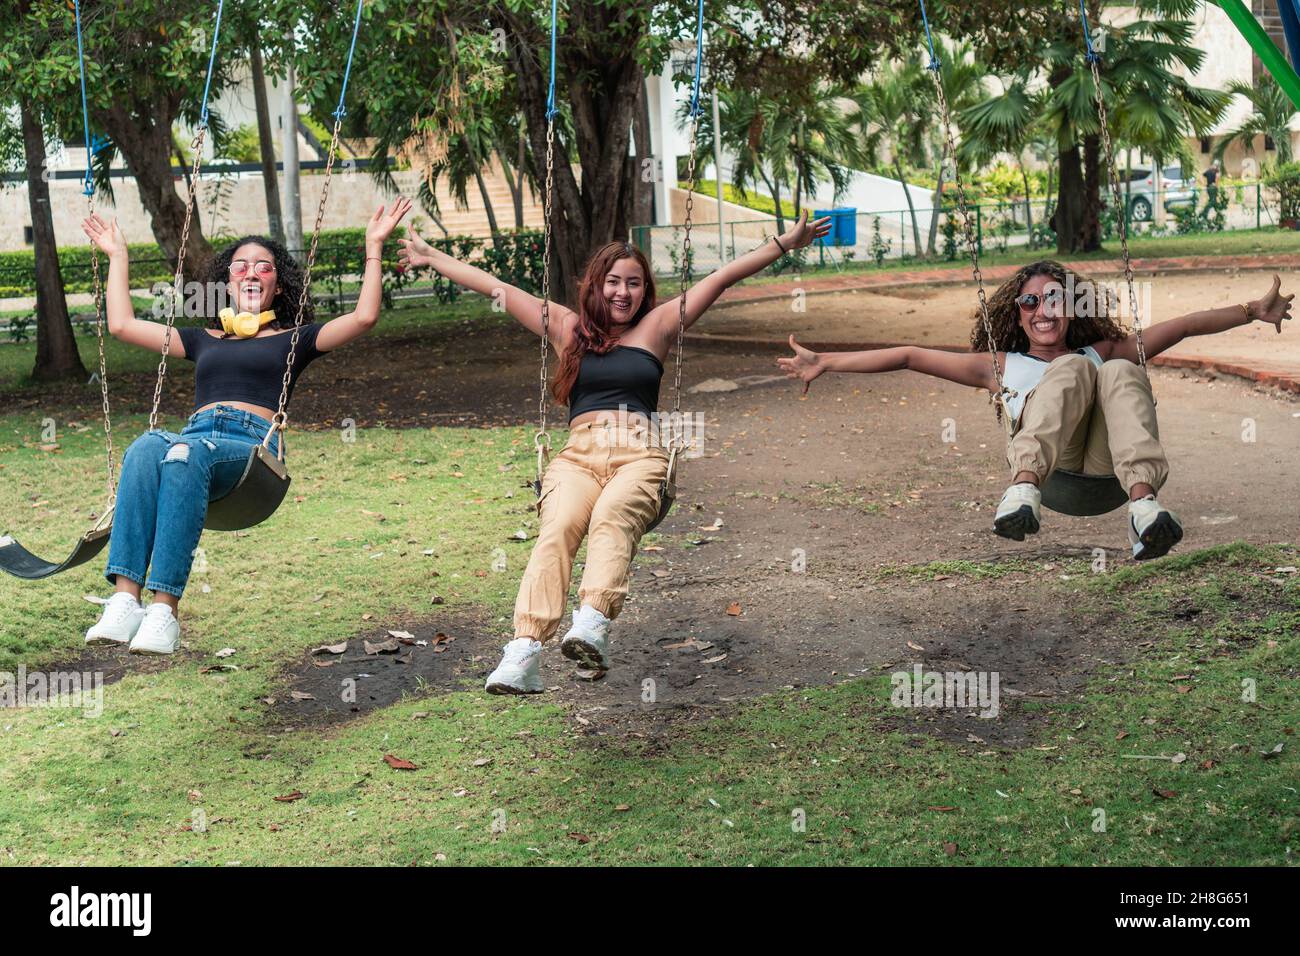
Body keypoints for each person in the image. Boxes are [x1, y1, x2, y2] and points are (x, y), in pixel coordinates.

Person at [399, 211, 830, 693]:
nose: (623, 293)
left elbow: (722, 277)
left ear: (646, 291)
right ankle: (524, 652)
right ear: (595, 285)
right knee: (557, 530)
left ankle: (593, 622)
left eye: (634, 284)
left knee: (612, 516)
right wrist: (431, 257)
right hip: (577, 457)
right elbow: (495, 287)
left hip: (639, 455)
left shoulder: (659, 326)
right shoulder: (566, 328)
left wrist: (783, 244)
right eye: (613, 282)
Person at [778, 260, 1293, 559]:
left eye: (1055, 300)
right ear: (1016, 313)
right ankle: (1021, 493)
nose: (1043, 311)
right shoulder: (999, 366)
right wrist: (826, 361)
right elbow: (910, 356)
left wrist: (1252, 310)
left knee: (1120, 369)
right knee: (1070, 370)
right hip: (1054, 476)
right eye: (1031, 302)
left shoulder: (1103, 351)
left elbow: (1183, 326)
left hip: (1110, 476)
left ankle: (1143, 509)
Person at [80, 198, 412, 654]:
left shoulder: (296, 339)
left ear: (278, 285)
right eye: (240, 266)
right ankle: (124, 602)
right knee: (145, 447)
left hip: (251, 448)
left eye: (263, 267)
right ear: (227, 283)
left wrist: (373, 246)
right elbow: (121, 325)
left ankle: (164, 612)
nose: (251, 272)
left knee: (182, 453)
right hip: (196, 438)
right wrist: (118, 256)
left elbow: (363, 317)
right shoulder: (203, 339)